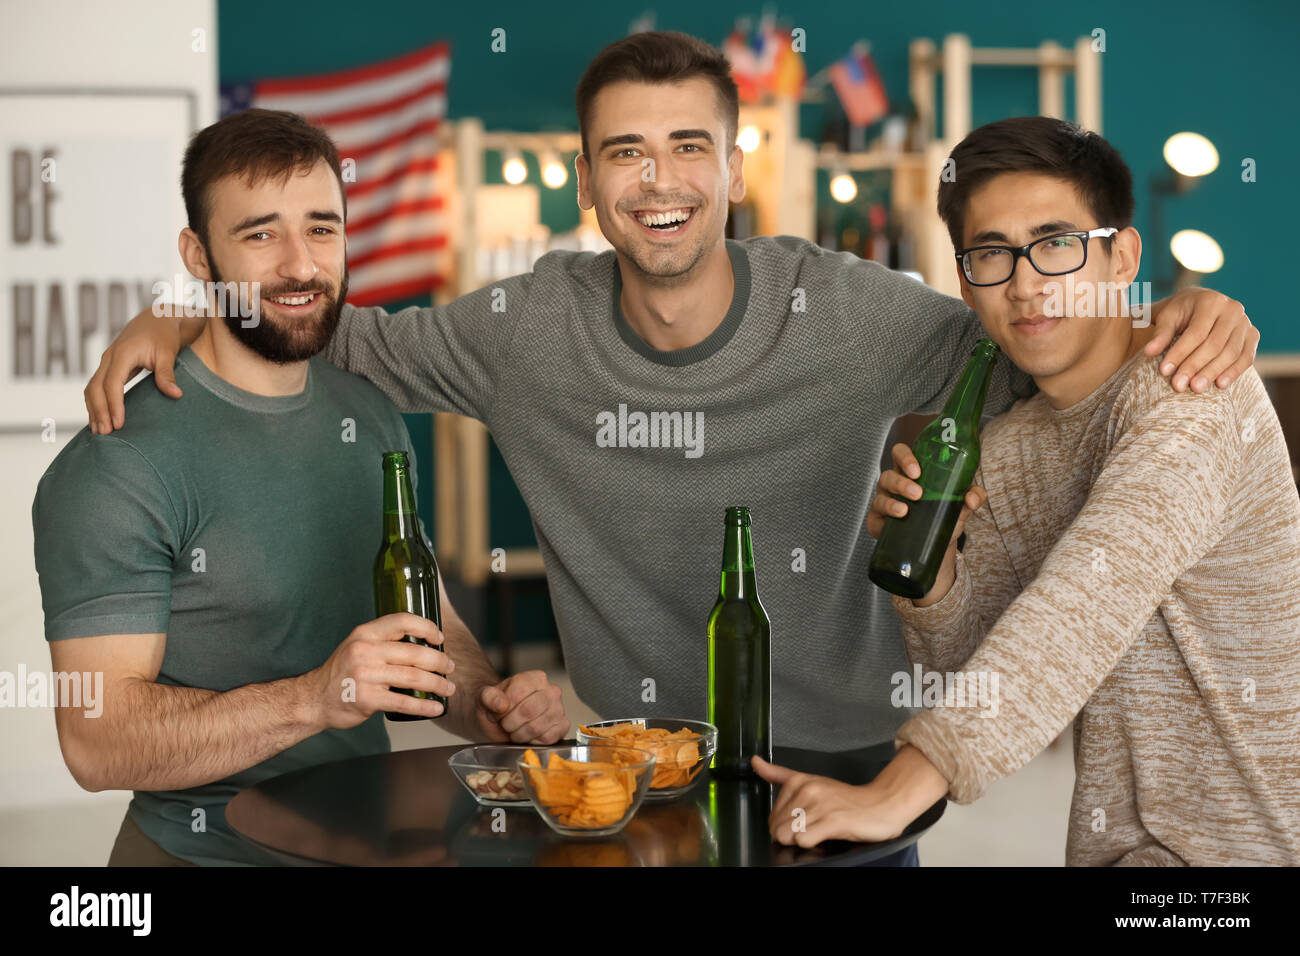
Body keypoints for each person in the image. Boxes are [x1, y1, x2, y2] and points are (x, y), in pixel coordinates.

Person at [84, 33, 1258, 865]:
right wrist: (187, 305)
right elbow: (340, 332)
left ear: (735, 169)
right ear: (588, 181)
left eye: (690, 145)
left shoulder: (855, 312)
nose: (661, 181)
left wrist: (1181, 303)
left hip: (845, 763)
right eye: (626, 154)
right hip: (638, 767)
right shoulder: (522, 329)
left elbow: (1044, 341)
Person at [756, 116, 1300, 866]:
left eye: (1056, 243)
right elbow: (971, 677)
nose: (1026, 283)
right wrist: (936, 577)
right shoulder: (1007, 449)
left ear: (1122, 257)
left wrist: (894, 789)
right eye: (992, 253)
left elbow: (1085, 600)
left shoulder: (1194, 393)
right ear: (964, 280)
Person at [33, 109, 568, 866]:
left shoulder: (369, 414)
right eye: (259, 234)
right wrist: (316, 698)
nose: (299, 264)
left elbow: (431, 628)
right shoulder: (118, 462)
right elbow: (96, 742)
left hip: (371, 842)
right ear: (198, 254)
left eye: (322, 228)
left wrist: (487, 705)